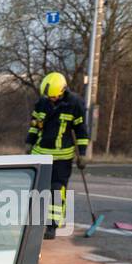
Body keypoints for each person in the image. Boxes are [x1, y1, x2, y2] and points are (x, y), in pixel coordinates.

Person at [26, 72, 88, 238]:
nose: (51, 99)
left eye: (54, 97)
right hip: (39, 154)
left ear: (62, 91)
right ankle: (34, 223)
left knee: (56, 190)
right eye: (48, 97)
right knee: (37, 190)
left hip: (62, 157)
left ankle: (52, 226)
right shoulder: (42, 103)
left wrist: (82, 154)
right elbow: (35, 125)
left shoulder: (74, 104)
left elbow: (81, 131)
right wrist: (29, 142)